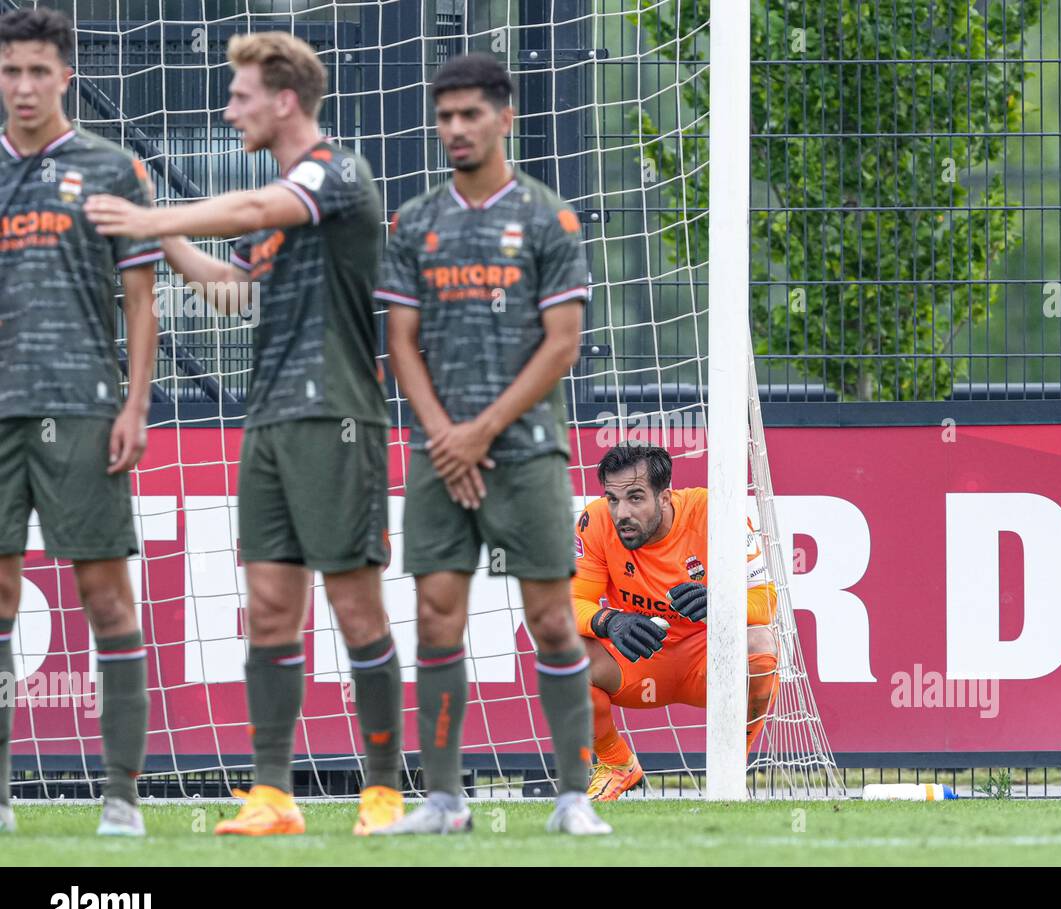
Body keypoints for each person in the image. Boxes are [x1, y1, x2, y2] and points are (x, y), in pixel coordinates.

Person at [86, 31, 403, 836]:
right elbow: (229, 292)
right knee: (267, 609)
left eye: (240, 96)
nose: (230, 111)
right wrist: (162, 236)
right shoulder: (278, 199)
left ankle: (384, 793)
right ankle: (272, 795)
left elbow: (263, 208)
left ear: (284, 100)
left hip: (336, 414)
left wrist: (154, 209)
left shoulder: (336, 172)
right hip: (267, 419)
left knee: (356, 608)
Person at [375, 52, 607, 835]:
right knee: (437, 615)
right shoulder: (416, 222)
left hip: (527, 450)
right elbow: (400, 340)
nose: (456, 130)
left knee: (551, 619)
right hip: (441, 453)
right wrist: (446, 436)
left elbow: (563, 343)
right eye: (444, 117)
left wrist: (481, 432)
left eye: (471, 114)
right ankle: (444, 800)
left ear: (504, 118)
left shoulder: (549, 216)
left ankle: (574, 795)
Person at [0, 7, 163, 836]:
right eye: (10, 72)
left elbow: (141, 301)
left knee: (106, 600)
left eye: (38, 71)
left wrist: (135, 403)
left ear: (65, 76)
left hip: (86, 408)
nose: (23, 87)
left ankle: (123, 799)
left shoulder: (110, 168)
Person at [572, 442, 779, 801]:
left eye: (635, 498)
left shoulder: (715, 511)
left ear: (665, 497)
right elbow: (569, 605)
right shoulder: (595, 522)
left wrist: (722, 604)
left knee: (762, 646)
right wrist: (610, 621)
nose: (621, 512)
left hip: (708, 664)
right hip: (639, 660)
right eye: (613, 498)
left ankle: (731, 767)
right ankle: (616, 764)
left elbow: (766, 600)